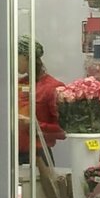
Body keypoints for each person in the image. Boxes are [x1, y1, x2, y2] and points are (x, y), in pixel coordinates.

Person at [17, 35, 65, 163]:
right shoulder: (18, 85)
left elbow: (63, 130)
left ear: (26, 56)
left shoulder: (52, 87)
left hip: (39, 156)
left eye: (16, 56)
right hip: (13, 155)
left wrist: (35, 125)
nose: (13, 61)